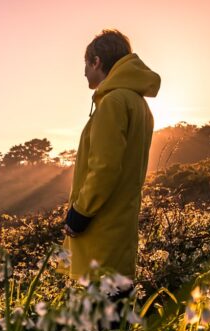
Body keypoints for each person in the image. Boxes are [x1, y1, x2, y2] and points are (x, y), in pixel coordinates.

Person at [62, 29, 160, 302]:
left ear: (97, 61)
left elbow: (104, 167)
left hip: (101, 229)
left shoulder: (113, 102)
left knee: (103, 317)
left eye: (86, 63)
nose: (83, 72)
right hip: (121, 226)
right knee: (118, 313)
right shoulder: (137, 103)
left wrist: (79, 213)